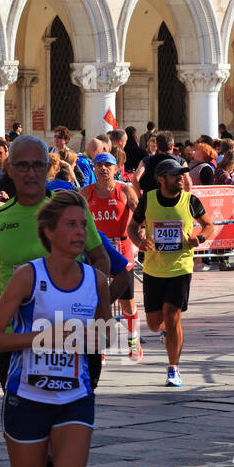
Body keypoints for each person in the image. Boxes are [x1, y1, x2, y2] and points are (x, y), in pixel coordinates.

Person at [0, 189, 111, 467]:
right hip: (26, 398)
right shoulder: (28, 276)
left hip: (74, 398)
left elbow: (104, 337)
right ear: (49, 232)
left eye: (83, 224)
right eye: (70, 225)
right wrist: (42, 339)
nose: (80, 232)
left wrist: (90, 338)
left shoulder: (96, 281)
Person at [0, 136, 110, 386]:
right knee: (22, 420)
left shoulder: (71, 212)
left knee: (72, 414)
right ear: (9, 168)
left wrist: (89, 304)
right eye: (22, 165)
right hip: (15, 340)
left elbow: (100, 259)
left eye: (38, 165)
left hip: (69, 337)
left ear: (48, 167)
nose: (31, 173)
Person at [127, 159, 214, 388]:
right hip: (154, 269)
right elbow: (132, 227)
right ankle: (167, 331)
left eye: (182, 174)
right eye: (175, 174)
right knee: (155, 323)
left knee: (172, 313)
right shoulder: (148, 199)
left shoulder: (191, 200)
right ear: (161, 178)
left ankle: (173, 368)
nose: (180, 178)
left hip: (181, 266)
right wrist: (139, 241)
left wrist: (200, 238)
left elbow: (209, 225)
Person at [84, 152, 142, 361]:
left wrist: (141, 229)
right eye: (99, 165)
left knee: (127, 301)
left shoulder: (124, 190)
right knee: (97, 300)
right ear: (94, 168)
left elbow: (139, 214)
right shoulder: (85, 193)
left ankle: (132, 338)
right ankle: (100, 344)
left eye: (107, 165)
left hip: (121, 249)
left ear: (116, 168)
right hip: (96, 250)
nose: (103, 169)